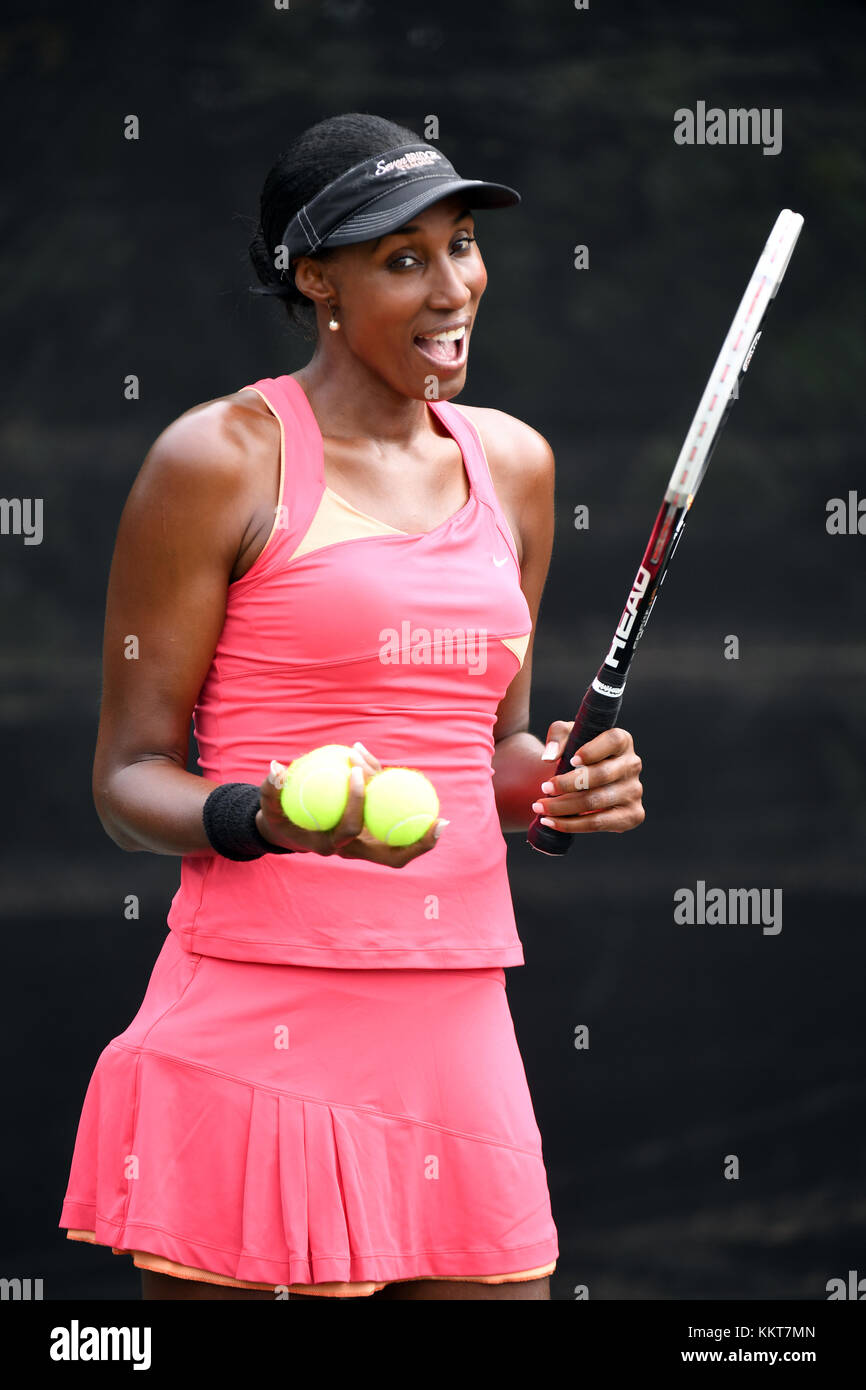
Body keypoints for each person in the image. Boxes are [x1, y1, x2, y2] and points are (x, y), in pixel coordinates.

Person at [58, 112, 644, 1301]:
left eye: (462, 244)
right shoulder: (218, 457)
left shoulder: (514, 466)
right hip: (251, 1028)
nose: (452, 287)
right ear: (313, 278)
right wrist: (264, 819)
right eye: (403, 257)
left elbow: (491, 748)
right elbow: (126, 781)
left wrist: (560, 783)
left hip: (453, 1031)